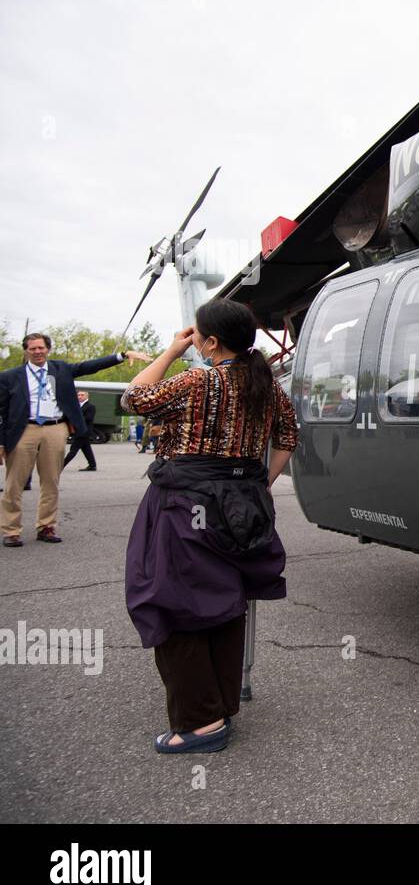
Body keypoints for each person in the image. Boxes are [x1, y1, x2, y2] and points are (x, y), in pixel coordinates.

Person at [121, 299, 298, 754]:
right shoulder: (267, 384)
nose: (193, 340)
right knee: (222, 600)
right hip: (242, 505)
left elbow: (133, 398)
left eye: (198, 335)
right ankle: (219, 704)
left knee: (175, 603)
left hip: (186, 500)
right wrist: (259, 485)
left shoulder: (200, 378)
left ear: (212, 341)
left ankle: (202, 723)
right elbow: (288, 438)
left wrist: (168, 352)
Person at [0, 333, 148, 547]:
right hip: (24, 430)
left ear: (47, 349)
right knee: (15, 483)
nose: (37, 352)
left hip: (55, 428)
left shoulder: (61, 370)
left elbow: (91, 366)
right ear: (26, 351)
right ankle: (11, 530)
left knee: (51, 482)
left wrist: (123, 355)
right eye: (33, 348)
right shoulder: (10, 377)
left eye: (41, 347)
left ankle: (46, 526)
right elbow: (2, 411)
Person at [62, 391, 98, 471]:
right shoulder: (76, 406)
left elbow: (89, 418)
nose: (80, 396)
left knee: (73, 450)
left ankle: (61, 465)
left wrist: (75, 418)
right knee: (86, 449)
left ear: (87, 396)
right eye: (78, 395)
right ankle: (92, 465)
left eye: (82, 395)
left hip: (83, 432)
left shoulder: (90, 406)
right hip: (78, 431)